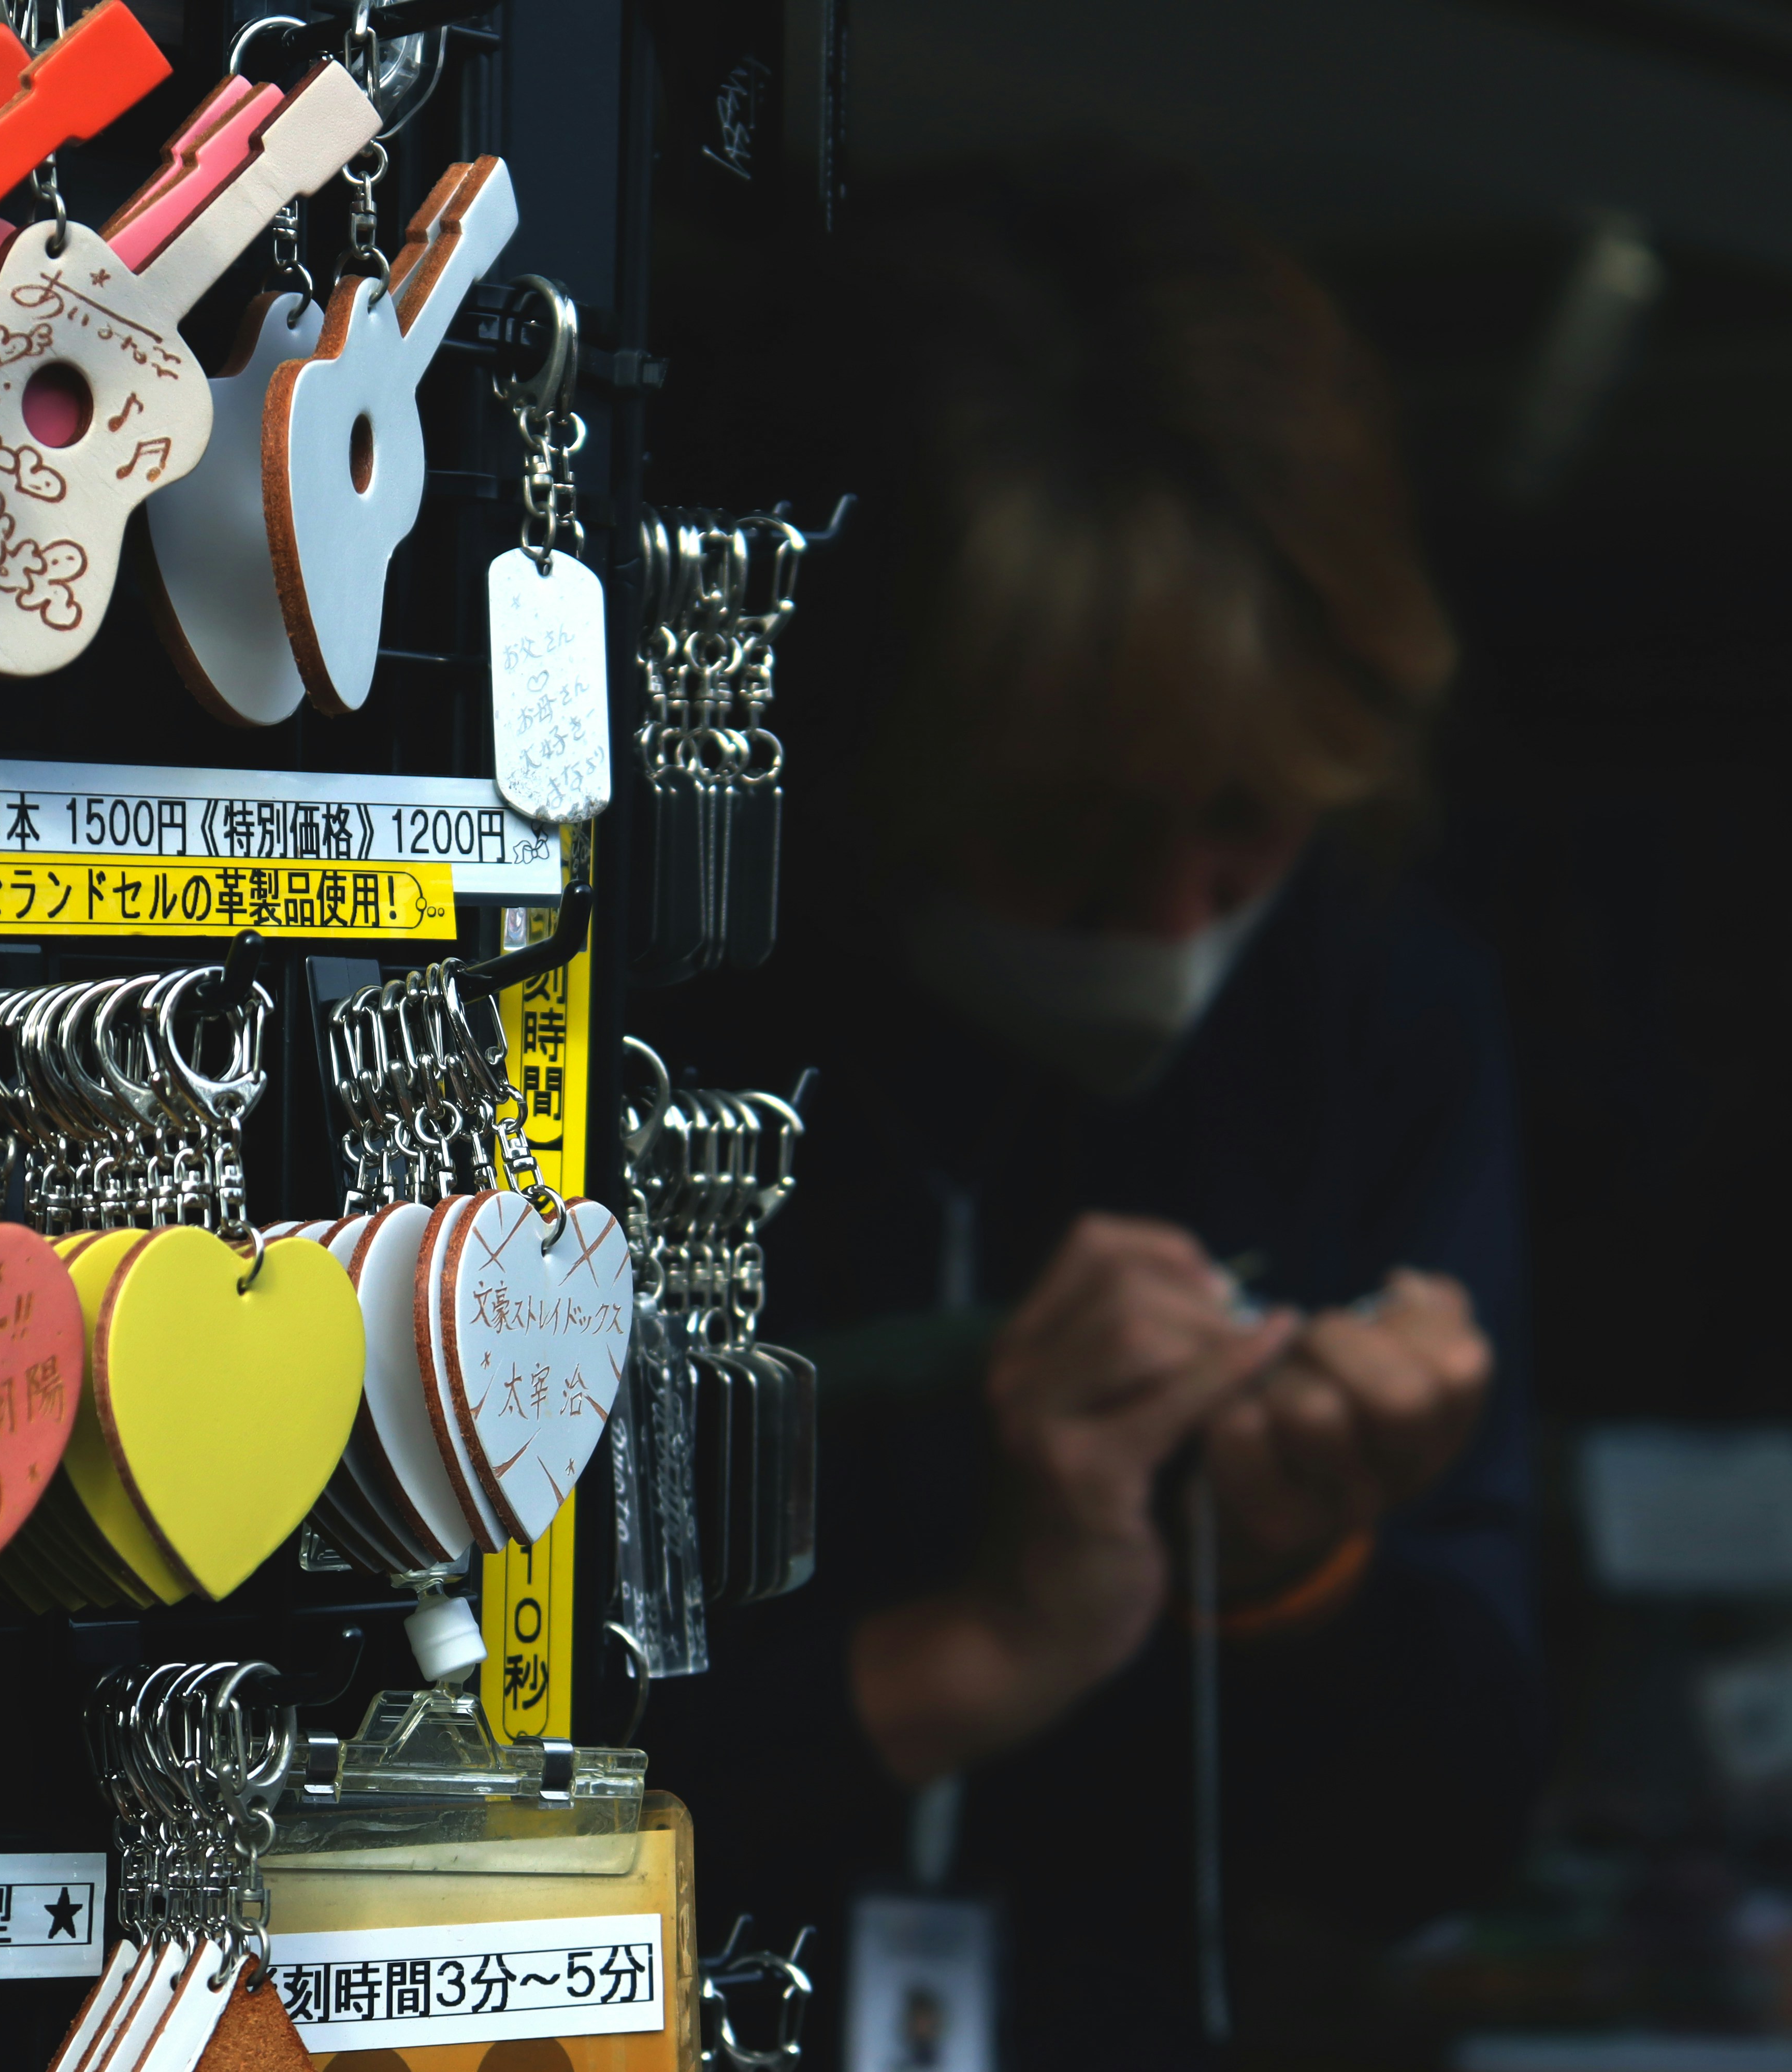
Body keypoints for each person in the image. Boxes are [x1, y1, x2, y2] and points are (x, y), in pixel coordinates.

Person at [637, 156, 1546, 2063]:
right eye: (1065, 835)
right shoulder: (658, 1005)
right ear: (878, 763)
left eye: (1247, 817)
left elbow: (1443, 1838)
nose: (1168, 928)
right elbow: (428, 1781)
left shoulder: (1378, 1012)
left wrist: (1301, 1573)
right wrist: (953, 1666)